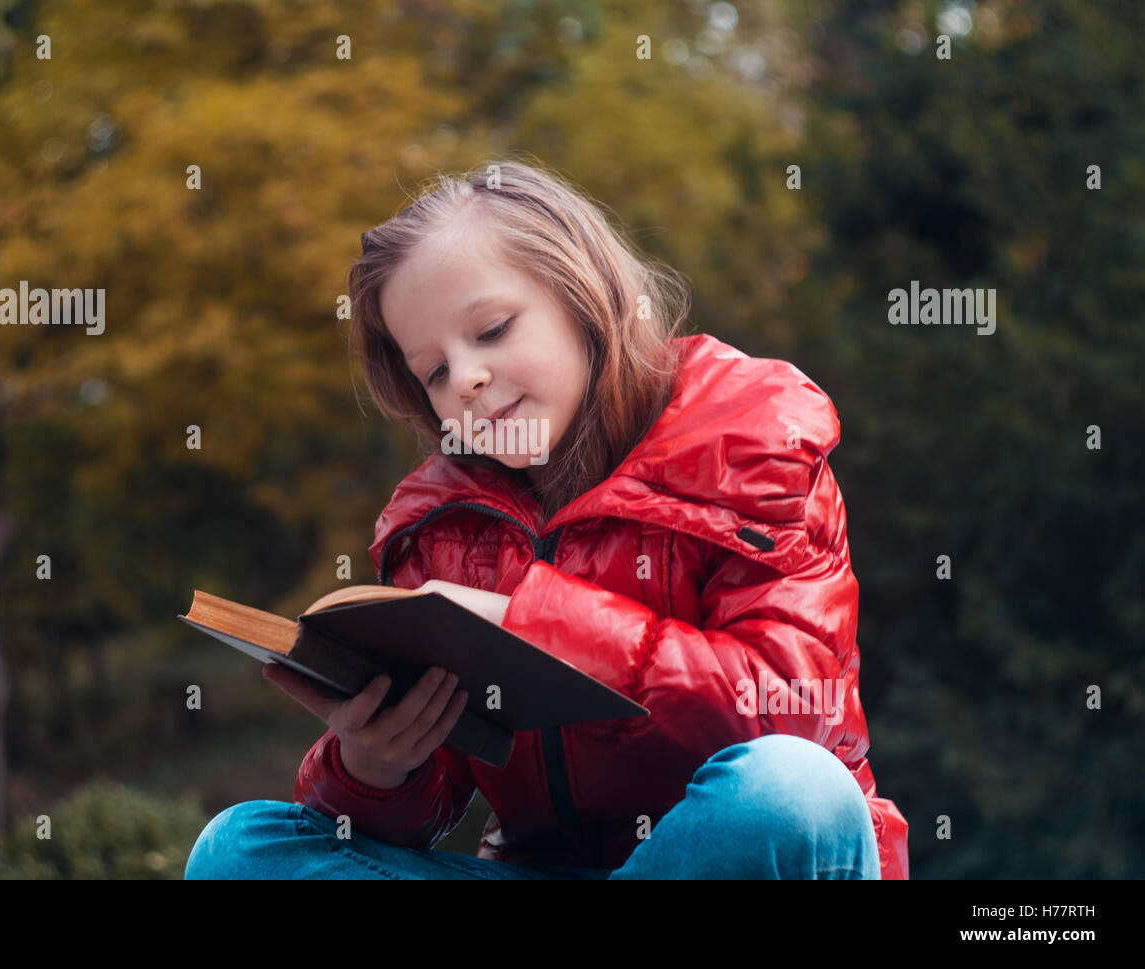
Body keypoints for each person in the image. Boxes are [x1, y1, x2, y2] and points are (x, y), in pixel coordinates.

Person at [185, 159, 910, 880]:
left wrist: (528, 616)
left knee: (792, 792)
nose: (465, 378)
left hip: (745, 848)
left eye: (492, 329)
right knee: (241, 850)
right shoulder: (435, 528)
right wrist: (374, 765)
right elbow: (422, 810)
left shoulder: (754, 437)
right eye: (434, 371)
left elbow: (792, 710)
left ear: (582, 296)